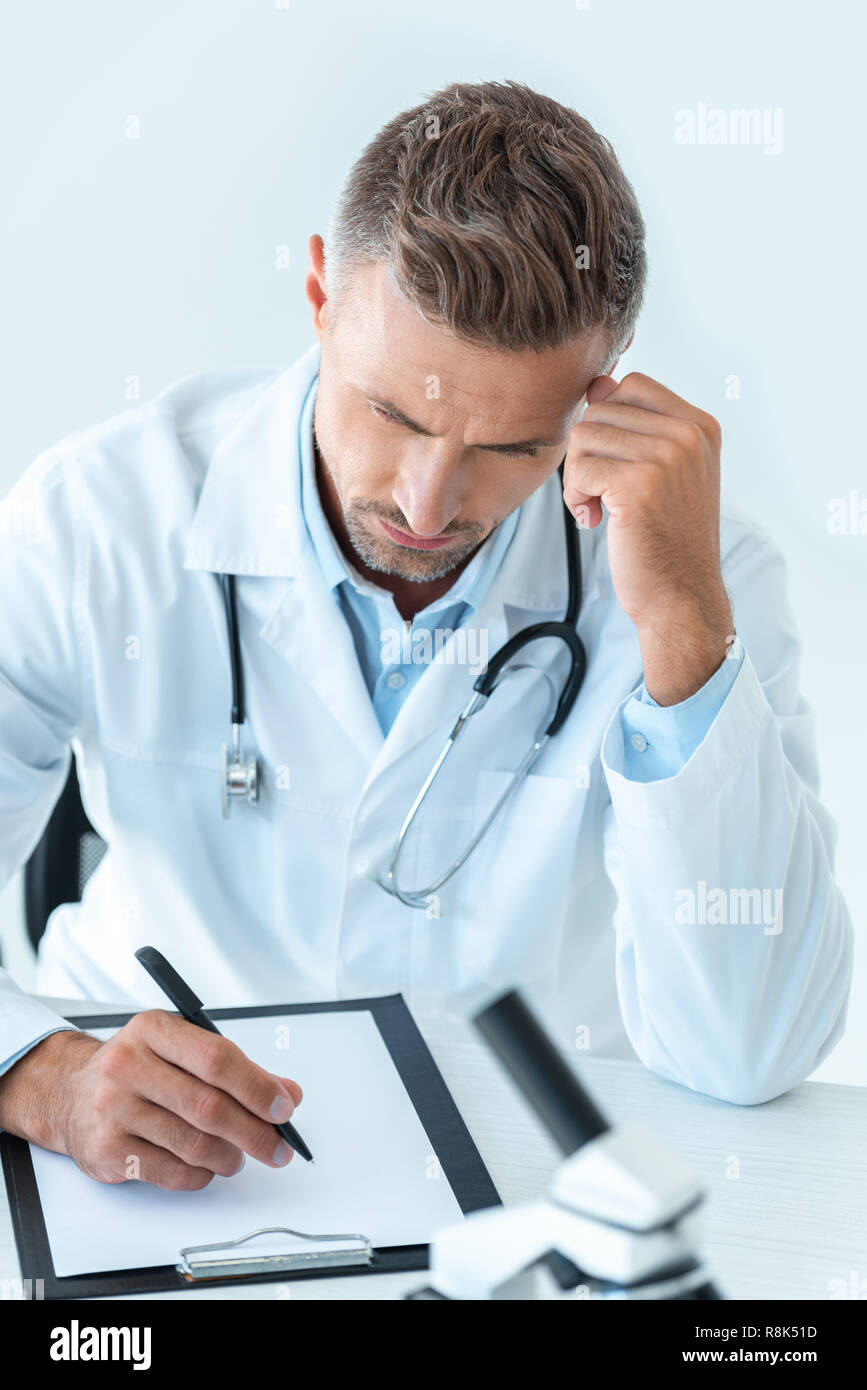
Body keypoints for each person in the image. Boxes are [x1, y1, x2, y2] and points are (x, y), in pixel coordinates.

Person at [0, 80, 852, 1191]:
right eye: (393, 414)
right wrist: (36, 1071)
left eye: (511, 447)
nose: (426, 503)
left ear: (598, 398)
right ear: (318, 292)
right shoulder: (99, 516)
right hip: (151, 1165)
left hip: (525, 1170)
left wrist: (685, 629)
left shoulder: (696, 572)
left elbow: (755, 1053)